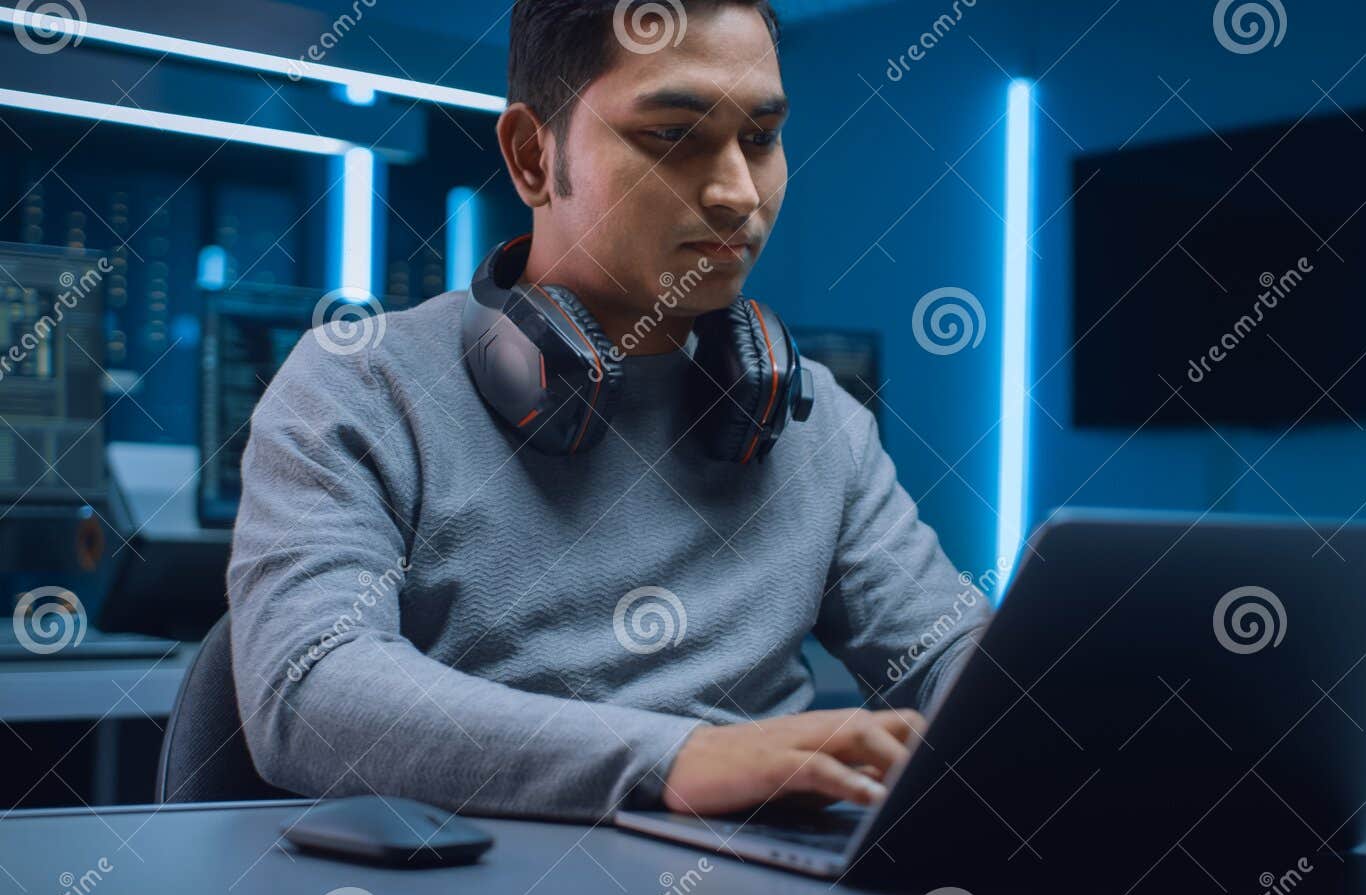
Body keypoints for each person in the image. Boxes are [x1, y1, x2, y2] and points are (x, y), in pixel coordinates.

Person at [227, 0, 990, 823]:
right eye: (672, 135)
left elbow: (952, 656)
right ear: (531, 157)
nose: (738, 194)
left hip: (764, 892)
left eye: (761, 139)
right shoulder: (361, 383)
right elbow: (307, 688)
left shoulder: (820, 421)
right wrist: (674, 758)